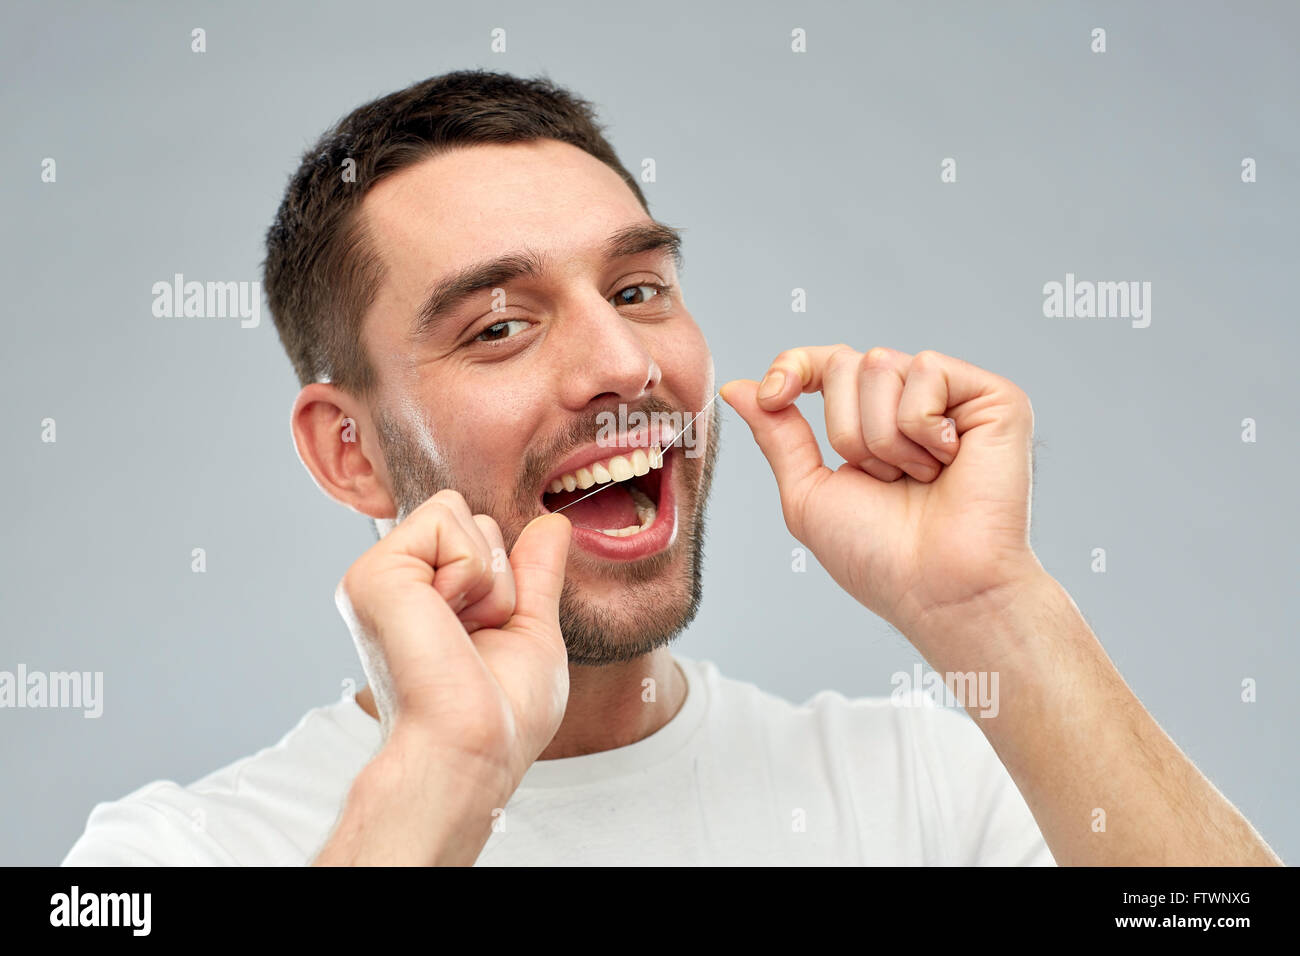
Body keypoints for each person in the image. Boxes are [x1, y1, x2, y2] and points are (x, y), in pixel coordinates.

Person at [63, 70, 1279, 866]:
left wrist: (992, 610)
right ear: (348, 451)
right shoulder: (167, 854)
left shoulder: (928, 788)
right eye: (499, 325)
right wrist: (440, 781)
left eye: (639, 289)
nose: (622, 361)